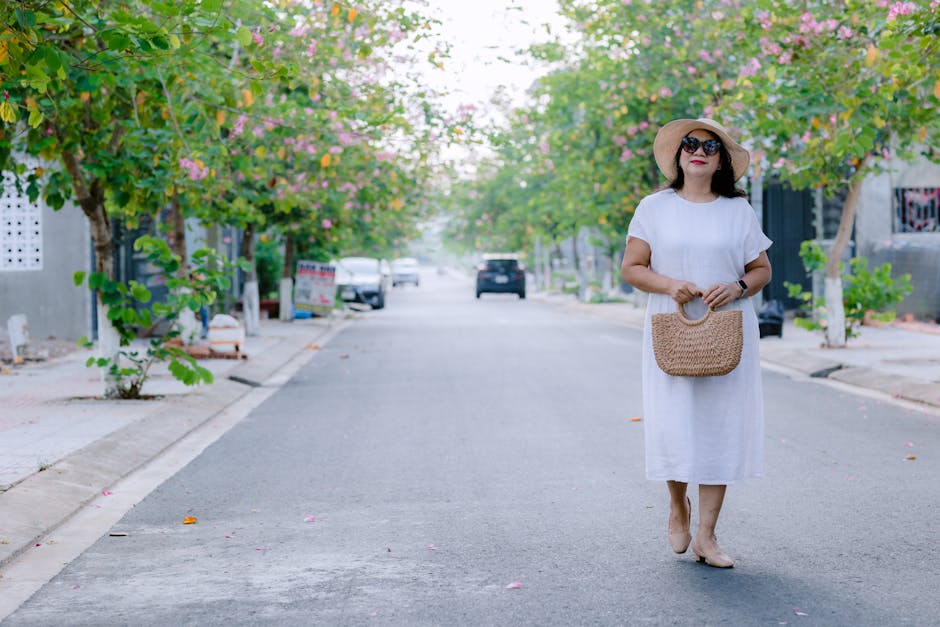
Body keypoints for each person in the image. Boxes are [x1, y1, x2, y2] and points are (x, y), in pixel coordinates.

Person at [621, 118, 772, 568]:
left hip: (728, 329)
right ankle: (676, 504)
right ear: (679, 155)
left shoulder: (737, 211)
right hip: (673, 327)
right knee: (673, 424)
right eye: (690, 144)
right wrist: (670, 285)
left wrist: (739, 286)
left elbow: (761, 269)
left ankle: (707, 536)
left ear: (721, 159)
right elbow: (632, 267)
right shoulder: (654, 207)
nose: (698, 150)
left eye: (709, 146)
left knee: (719, 429)